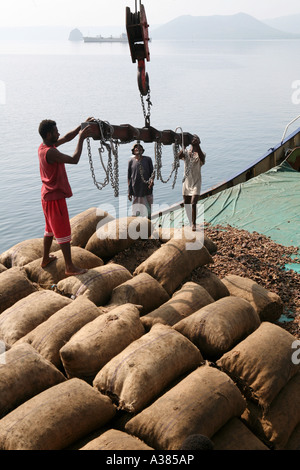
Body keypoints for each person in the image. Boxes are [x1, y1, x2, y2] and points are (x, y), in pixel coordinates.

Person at [38, 117, 94, 275]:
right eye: (56, 131)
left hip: (46, 196)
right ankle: (69, 267)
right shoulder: (52, 152)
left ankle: (44, 258)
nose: (59, 133)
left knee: (49, 230)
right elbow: (74, 159)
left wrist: (79, 128)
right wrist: (82, 139)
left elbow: (67, 138)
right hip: (55, 198)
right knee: (63, 232)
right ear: (49, 134)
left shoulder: (43, 146)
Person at [179, 135, 206, 231]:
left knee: (193, 203)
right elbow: (179, 156)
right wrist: (184, 146)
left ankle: (194, 223)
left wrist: (197, 145)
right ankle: (190, 221)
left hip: (196, 182)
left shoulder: (201, 154)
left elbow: (203, 159)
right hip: (186, 182)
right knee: (186, 203)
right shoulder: (186, 153)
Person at [128, 142, 154, 219]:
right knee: (136, 211)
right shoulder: (131, 161)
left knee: (148, 209)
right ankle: (135, 226)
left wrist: (152, 180)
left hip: (147, 188)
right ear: (133, 151)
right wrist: (129, 191)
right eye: (136, 147)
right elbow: (129, 177)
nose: (138, 149)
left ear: (142, 150)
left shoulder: (148, 159)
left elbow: (152, 173)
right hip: (136, 189)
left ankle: (148, 224)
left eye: (140, 148)